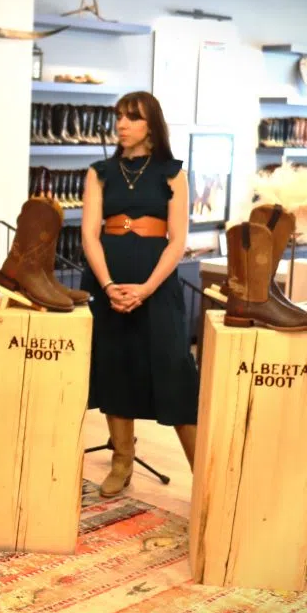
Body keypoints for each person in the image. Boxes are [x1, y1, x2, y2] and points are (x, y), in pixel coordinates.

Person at [79, 91, 199, 497]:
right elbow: (89, 234)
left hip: (157, 284)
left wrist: (146, 289)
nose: (122, 124)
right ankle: (121, 461)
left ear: (152, 126)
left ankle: (204, 471)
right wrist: (108, 285)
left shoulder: (172, 173)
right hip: (108, 281)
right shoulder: (99, 172)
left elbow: (178, 240)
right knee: (114, 367)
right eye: (119, 116)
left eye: (132, 117)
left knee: (174, 370)